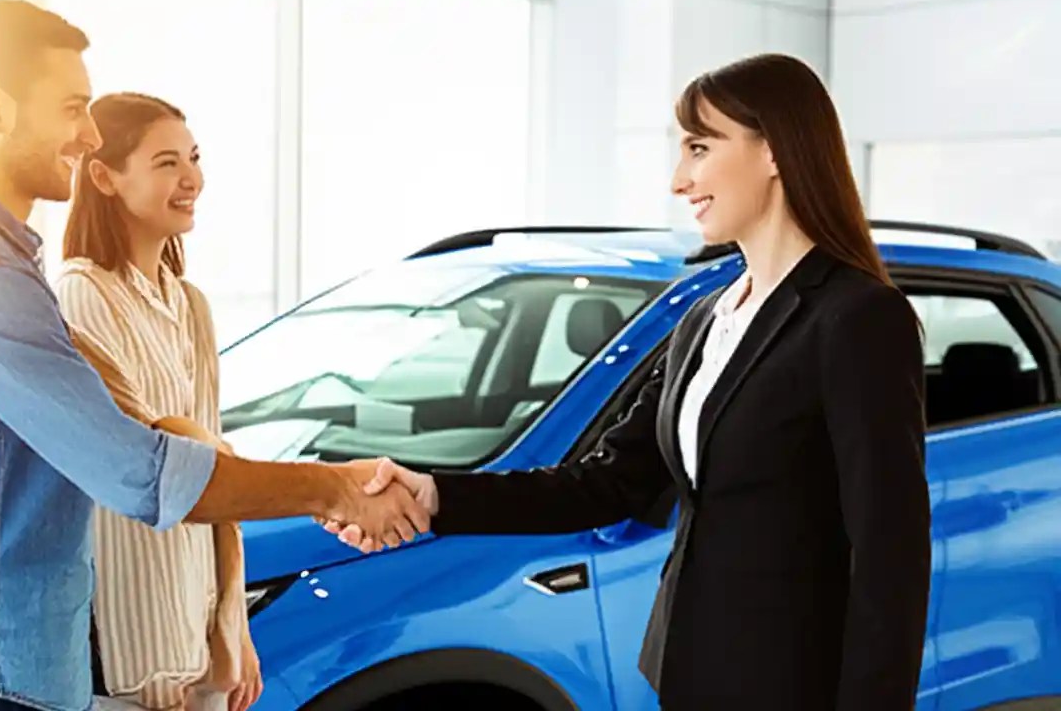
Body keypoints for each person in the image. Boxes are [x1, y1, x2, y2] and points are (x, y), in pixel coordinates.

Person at [326, 53, 931, 710]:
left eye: (700, 148)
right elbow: (606, 483)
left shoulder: (858, 317)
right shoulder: (709, 317)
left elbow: (890, 551)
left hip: (796, 682)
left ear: (776, 150)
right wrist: (435, 494)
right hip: (693, 670)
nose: (680, 180)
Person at [0, 1, 427, 711]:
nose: (90, 133)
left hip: (4, 673)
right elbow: (138, 469)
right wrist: (333, 489)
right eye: (72, 108)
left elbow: (152, 439)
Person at [53, 92, 259, 711]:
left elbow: (215, 484)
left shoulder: (190, 304)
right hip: (125, 649)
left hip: (195, 641)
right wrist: (210, 452)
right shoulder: (81, 294)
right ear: (104, 176)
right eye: (167, 162)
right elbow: (151, 454)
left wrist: (234, 628)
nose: (191, 178)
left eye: (193, 158)